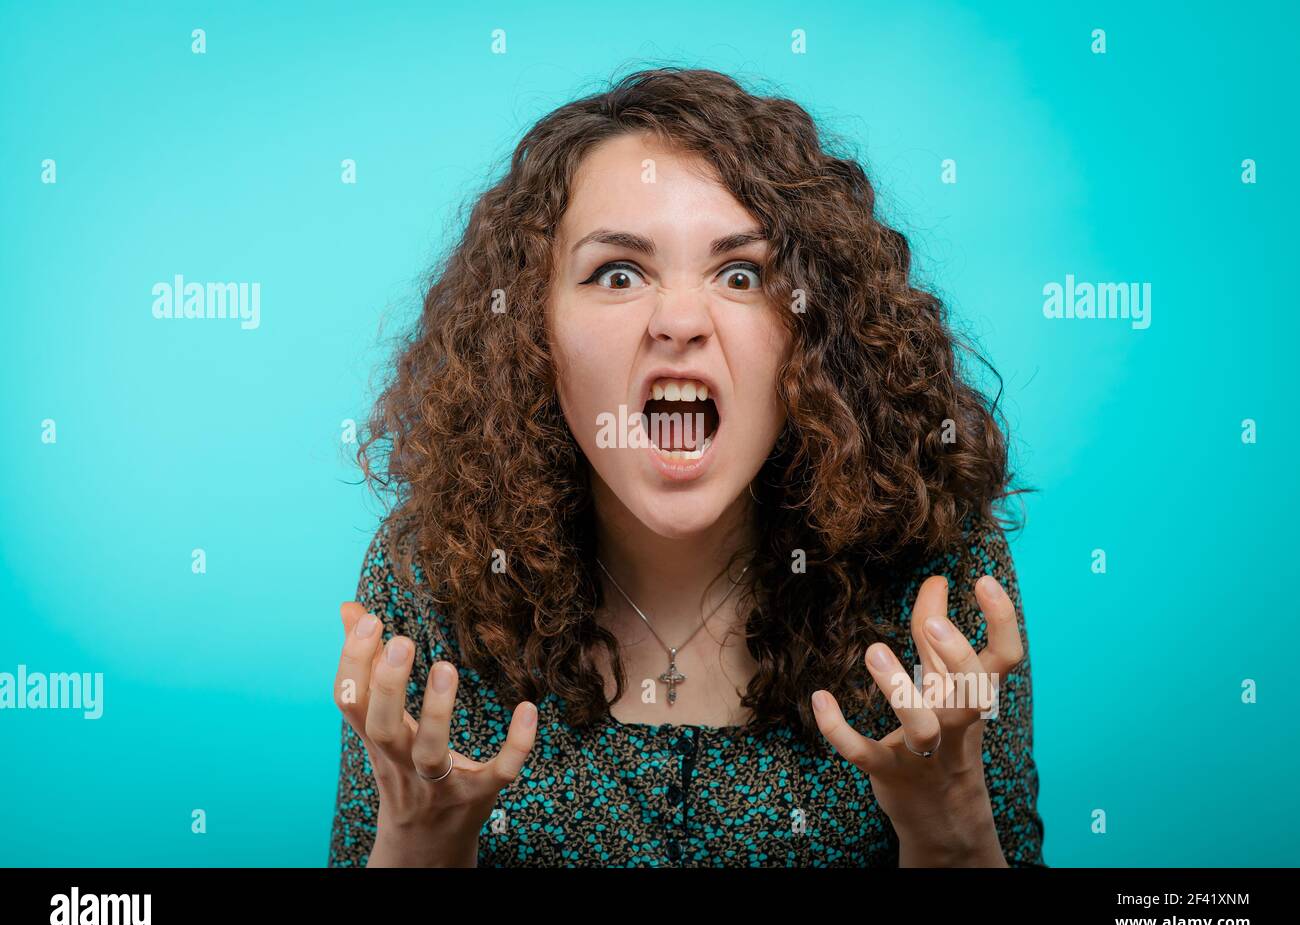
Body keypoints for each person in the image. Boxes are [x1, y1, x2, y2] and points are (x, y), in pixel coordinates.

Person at [327, 66, 1044, 868]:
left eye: (741, 275)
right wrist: (419, 844)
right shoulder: (433, 580)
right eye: (618, 273)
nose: (678, 321)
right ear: (532, 332)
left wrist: (947, 827)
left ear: (814, 332)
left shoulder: (935, 585)